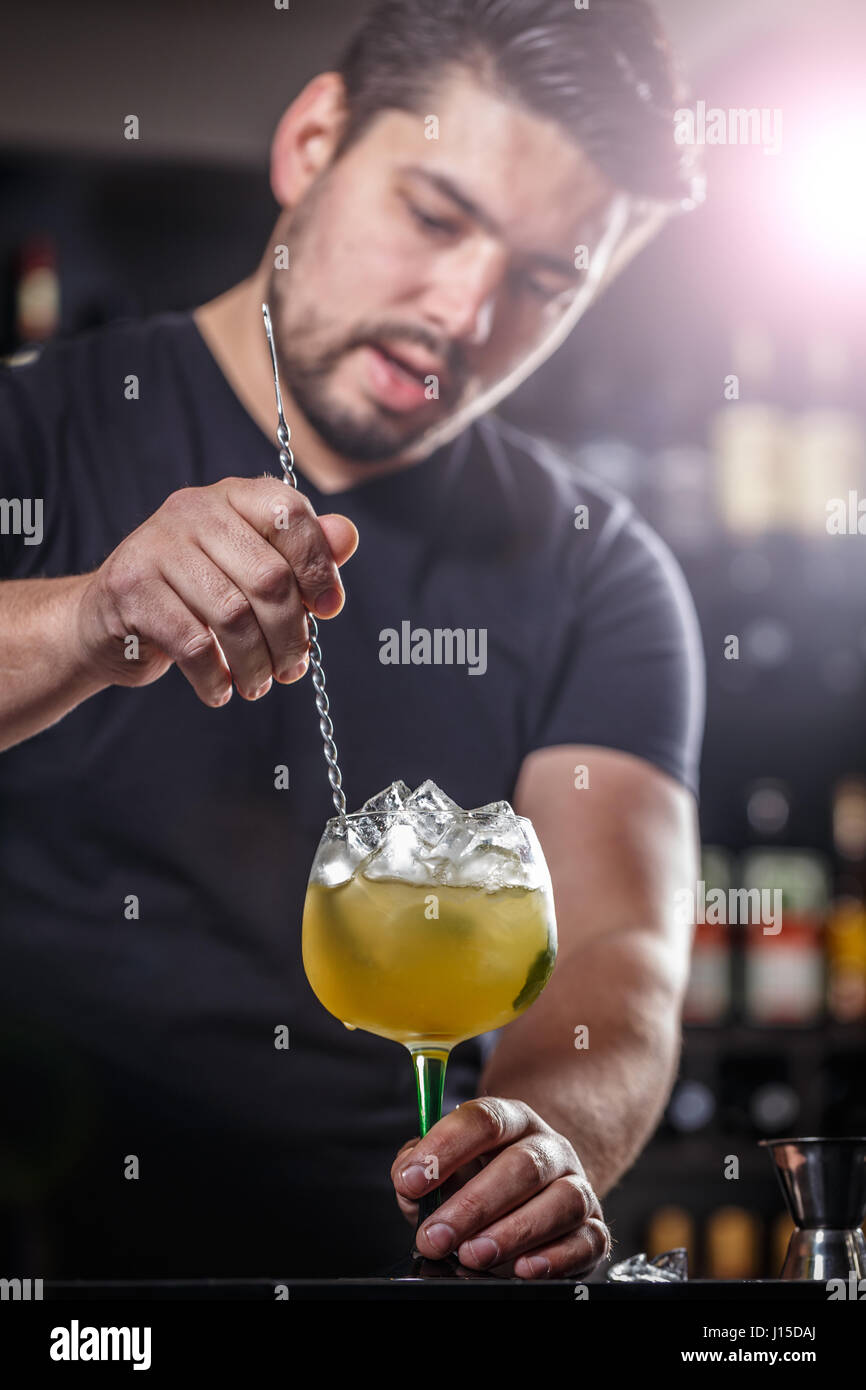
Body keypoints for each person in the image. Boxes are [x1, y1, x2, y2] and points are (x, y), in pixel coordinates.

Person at [0, 0, 705, 1280]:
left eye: (544, 280)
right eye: (436, 217)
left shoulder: (600, 568)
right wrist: (93, 613)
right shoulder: (30, 429)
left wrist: (550, 1129)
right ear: (313, 139)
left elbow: (617, 949)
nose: (463, 309)